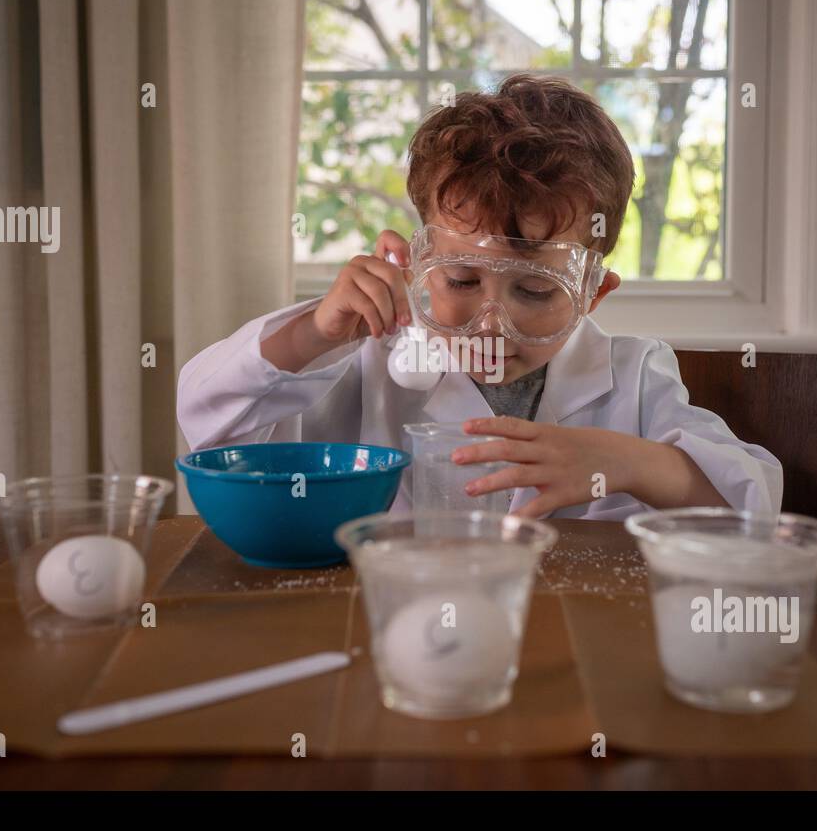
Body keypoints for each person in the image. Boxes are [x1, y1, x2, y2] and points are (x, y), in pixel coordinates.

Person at [178, 74, 781, 520]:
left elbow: (752, 500)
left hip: (583, 640)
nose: (495, 323)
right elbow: (211, 425)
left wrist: (624, 462)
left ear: (592, 294)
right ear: (415, 265)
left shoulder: (634, 377)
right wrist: (314, 331)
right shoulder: (369, 363)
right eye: (462, 281)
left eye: (537, 288)